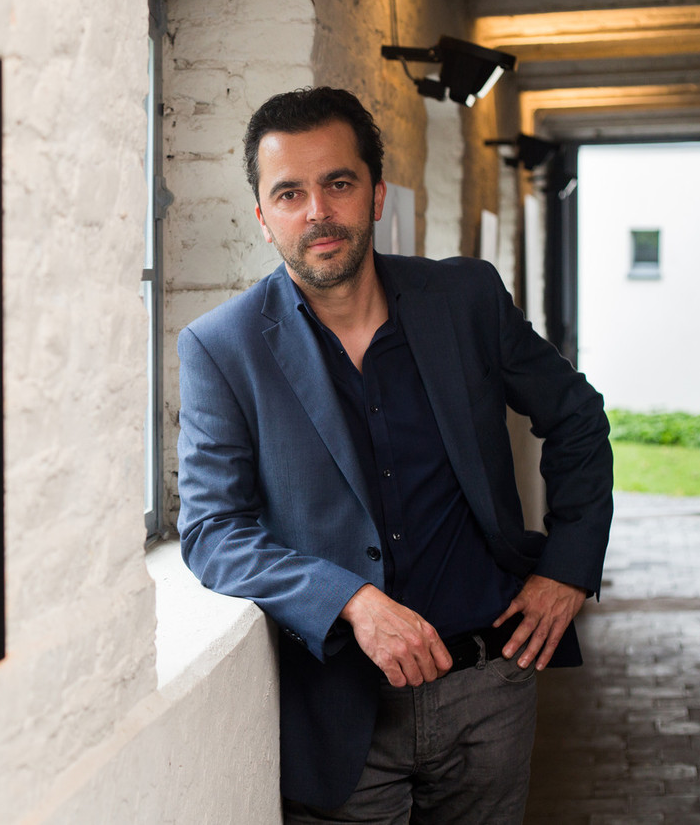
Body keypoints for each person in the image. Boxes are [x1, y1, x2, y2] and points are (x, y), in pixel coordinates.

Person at [175, 87, 612, 823]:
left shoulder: (464, 298)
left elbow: (576, 417)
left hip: (489, 687)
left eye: (337, 183)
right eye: (289, 193)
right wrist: (350, 600)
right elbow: (213, 531)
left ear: (375, 195)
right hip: (343, 707)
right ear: (262, 216)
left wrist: (568, 566)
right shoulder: (223, 348)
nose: (317, 211)